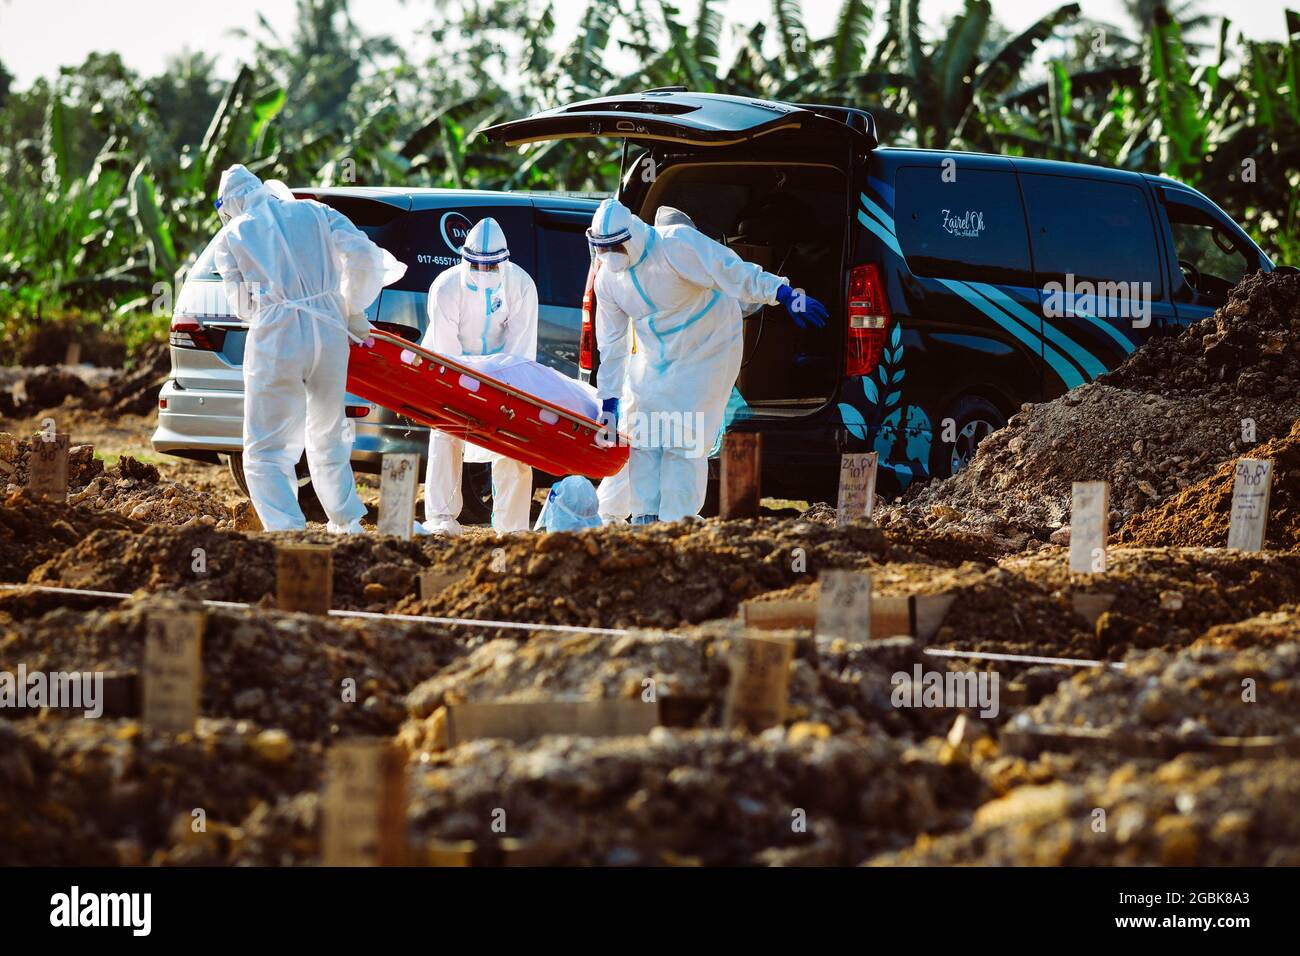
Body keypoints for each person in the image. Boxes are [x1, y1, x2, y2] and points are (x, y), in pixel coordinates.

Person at [588, 198, 828, 523]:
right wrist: (609, 400)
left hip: (708, 347)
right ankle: (645, 519)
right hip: (655, 356)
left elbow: (729, 269)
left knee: (683, 436)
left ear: (631, 234)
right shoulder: (608, 280)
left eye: (615, 246)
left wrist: (781, 294)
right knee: (641, 431)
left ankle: (677, 522)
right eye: (603, 248)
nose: (609, 255)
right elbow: (612, 344)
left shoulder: (675, 244)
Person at [211, 164, 405, 532]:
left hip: (277, 337)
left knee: (267, 449)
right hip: (330, 334)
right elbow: (364, 255)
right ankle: (348, 522)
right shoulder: (315, 211)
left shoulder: (232, 237)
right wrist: (350, 305)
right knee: (328, 433)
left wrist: (276, 307)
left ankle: (287, 531)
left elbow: (242, 306)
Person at [421, 217, 538, 535]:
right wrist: (464, 390)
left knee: (511, 441)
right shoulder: (446, 287)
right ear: (464, 259)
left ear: (505, 261)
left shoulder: (522, 285)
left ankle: (511, 525)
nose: (484, 273)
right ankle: (441, 518)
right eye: (477, 266)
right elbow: (446, 353)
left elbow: (520, 352)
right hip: (452, 368)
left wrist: (503, 393)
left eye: (491, 267)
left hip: (504, 373)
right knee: (446, 431)